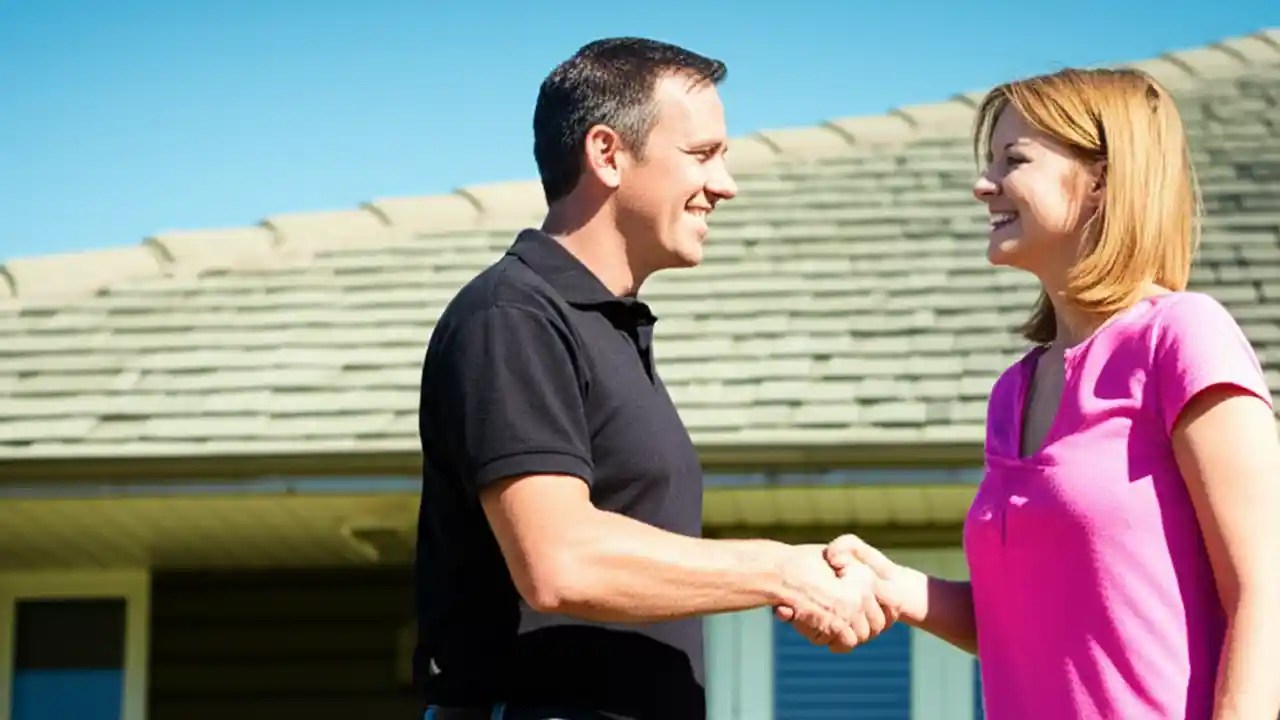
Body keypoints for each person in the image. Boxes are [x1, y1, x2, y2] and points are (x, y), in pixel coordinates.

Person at [415, 37, 896, 720]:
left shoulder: (604, 327)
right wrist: (783, 571)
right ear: (607, 153)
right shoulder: (512, 317)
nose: (726, 184)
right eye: (702, 155)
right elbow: (561, 563)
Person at [789, 67, 1280, 719]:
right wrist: (898, 587)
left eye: (1012, 160)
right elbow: (1033, 626)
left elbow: (1264, 597)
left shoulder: (1184, 339)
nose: (981, 185)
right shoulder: (1014, 392)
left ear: (1102, 180)